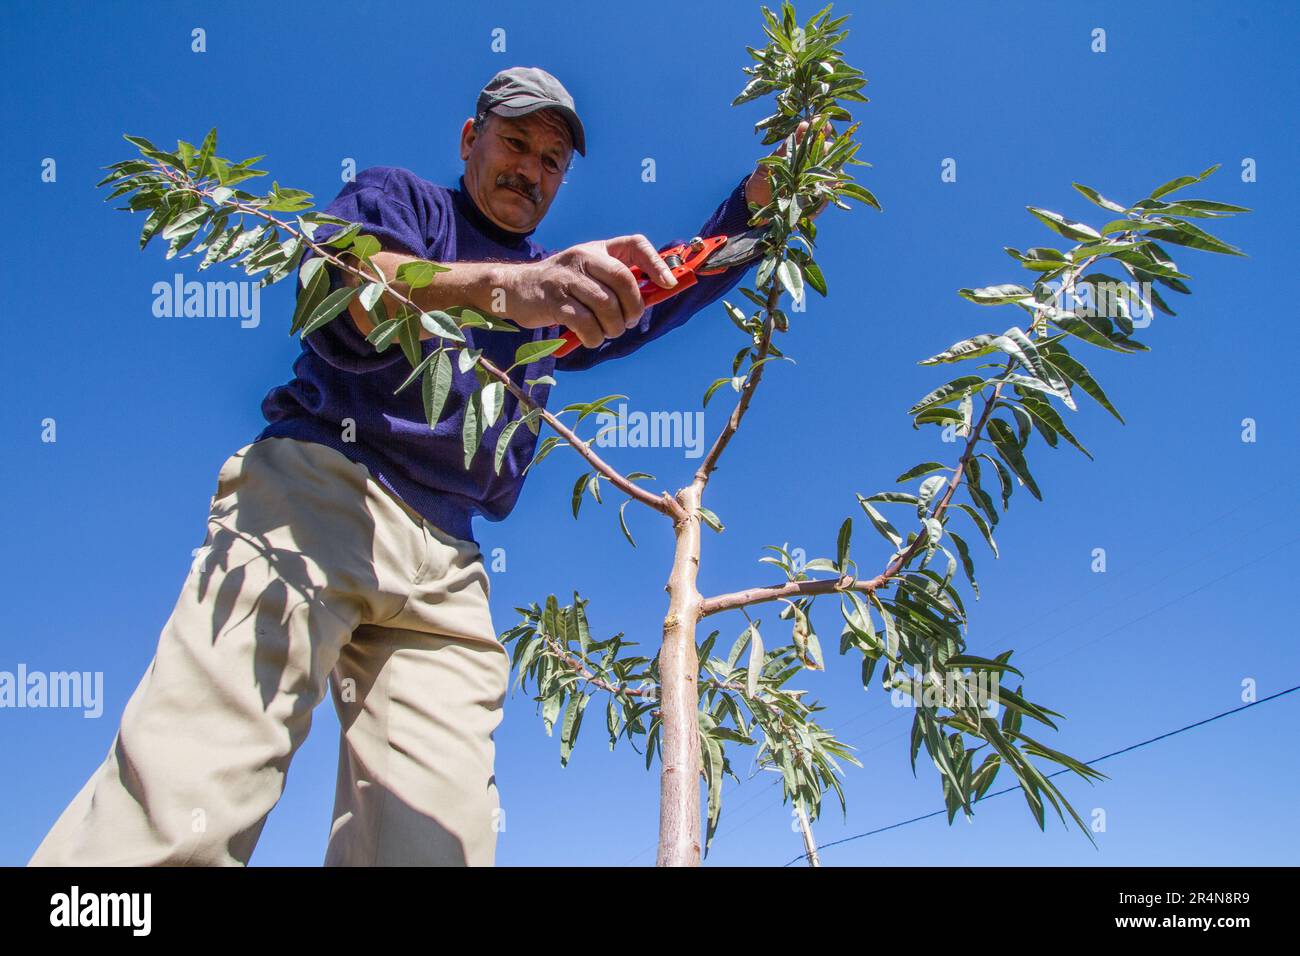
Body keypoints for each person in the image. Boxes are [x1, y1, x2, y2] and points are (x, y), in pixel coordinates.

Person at [29, 65, 787, 866]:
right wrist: (506, 290)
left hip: (448, 567)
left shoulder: (560, 294)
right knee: (192, 791)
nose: (531, 169)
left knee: (438, 842)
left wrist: (757, 205)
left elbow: (669, 283)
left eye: (552, 161)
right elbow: (352, 283)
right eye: (516, 142)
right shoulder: (402, 202)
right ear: (470, 139)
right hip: (316, 497)